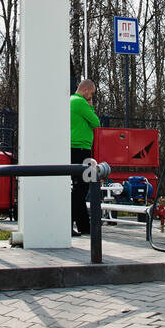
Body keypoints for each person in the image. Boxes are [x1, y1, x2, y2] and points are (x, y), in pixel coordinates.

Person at [70, 78, 100, 236]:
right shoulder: (80, 102)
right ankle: (72, 223)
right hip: (80, 148)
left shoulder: (70, 100)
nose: (91, 97)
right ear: (86, 90)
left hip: (73, 147)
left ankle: (83, 225)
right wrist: (91, 106)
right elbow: (96, 122)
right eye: (91, 93)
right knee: (81, 188)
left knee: (78, 187)